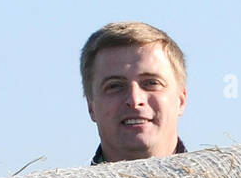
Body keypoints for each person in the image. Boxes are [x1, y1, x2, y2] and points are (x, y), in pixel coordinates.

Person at [80, 21, 188, 165]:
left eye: (151, 83)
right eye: (115, 86)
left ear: (181, 100)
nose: (134, 100)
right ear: (91, 106)